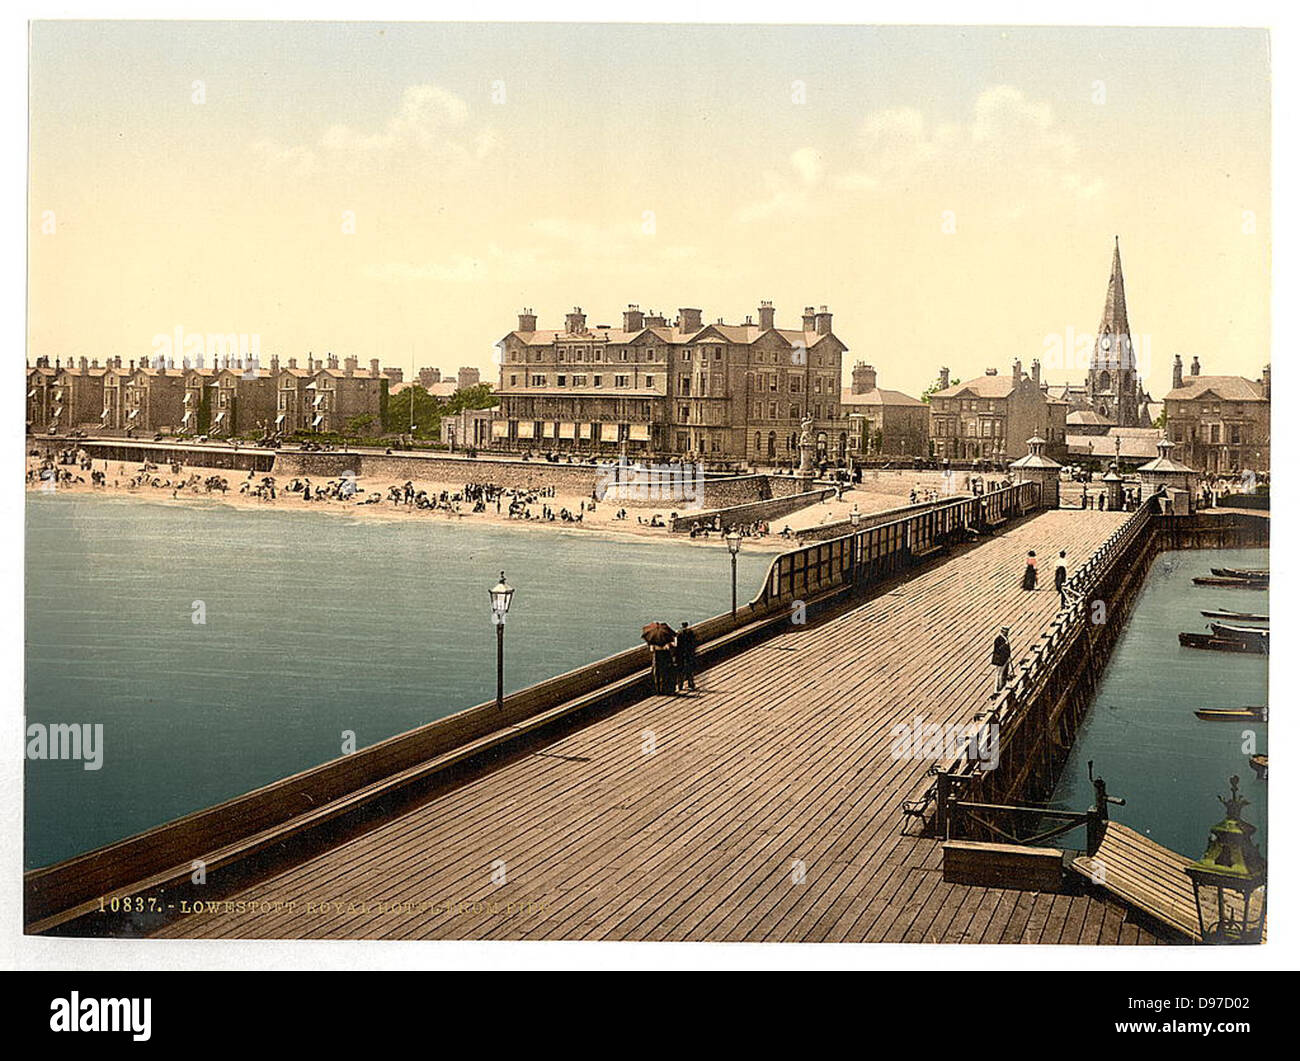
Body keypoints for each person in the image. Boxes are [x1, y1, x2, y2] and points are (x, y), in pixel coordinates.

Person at [674, 620, 698, 692]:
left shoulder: (678, 633)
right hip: (689, 653)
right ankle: (691, 684)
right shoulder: (691, 632)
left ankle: (680, 685)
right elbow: (694, 642)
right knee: (689, 670)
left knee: (680, 670)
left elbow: (677, 645)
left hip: (681, 653)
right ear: (687, 625)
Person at [990, 626, 1012, 697]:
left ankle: (1002, 687)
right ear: (1002, 632)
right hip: (1000, 660)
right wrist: (1005, 645)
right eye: (1006, 632)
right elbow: (998, 650)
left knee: (1003, 673)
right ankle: (997, 689)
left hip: (1005, 659)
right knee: (999, 674)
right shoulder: (998, 639)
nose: (1007, 633)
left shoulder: (1005, 638)